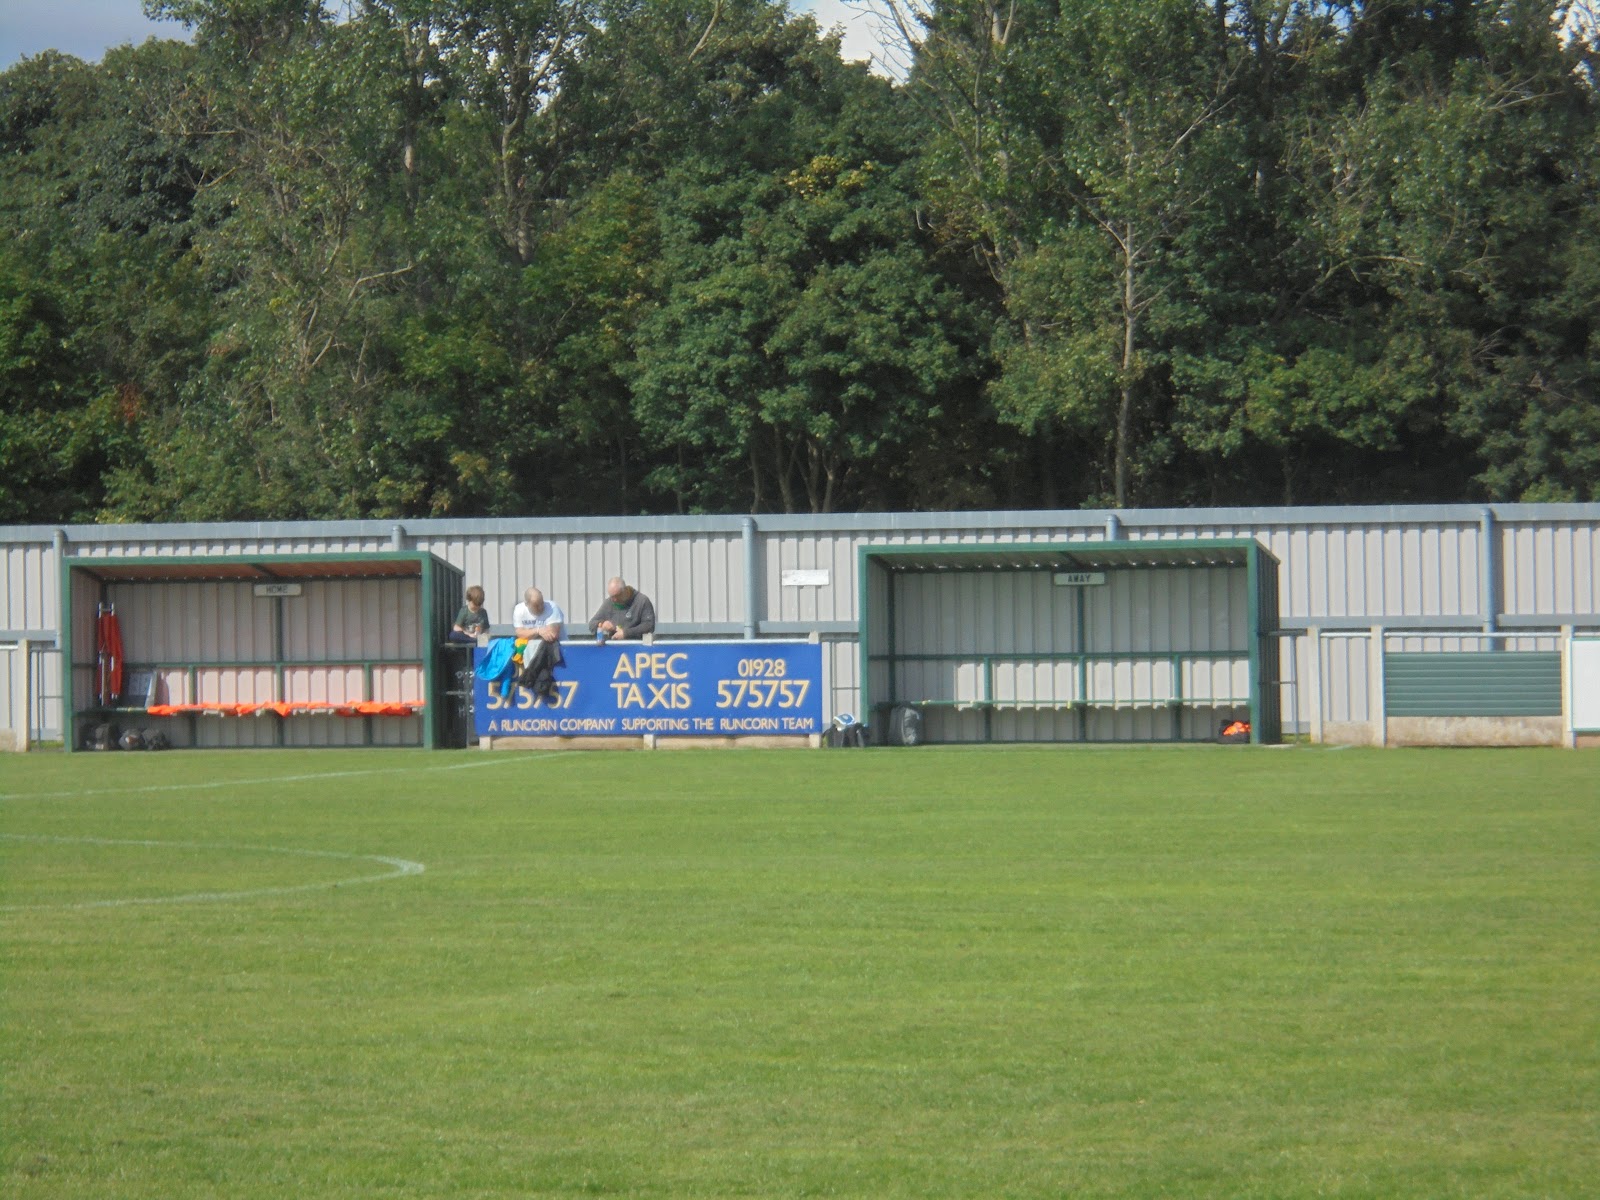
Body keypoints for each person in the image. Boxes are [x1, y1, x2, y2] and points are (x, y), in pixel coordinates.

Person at [512, 587, 565, 702]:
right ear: (527, 604)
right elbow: (520, 633)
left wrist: (531, 633)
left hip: (558, 651)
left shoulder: (552, 608)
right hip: (533, 650)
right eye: (536, 605)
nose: (541, 607)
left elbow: (552, 634)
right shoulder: (519, 610)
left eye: (541, 603)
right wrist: (538, 631)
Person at [588, 576, 656, 642]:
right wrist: (602, 625)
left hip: (636, 646)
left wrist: (626, 633)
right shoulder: (609, 603)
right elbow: (591, 625)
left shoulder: (642, 601)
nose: (614, 600)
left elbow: (649, 625)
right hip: (615, 647)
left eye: (617, 596)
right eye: (612, 597)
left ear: (625, 591)